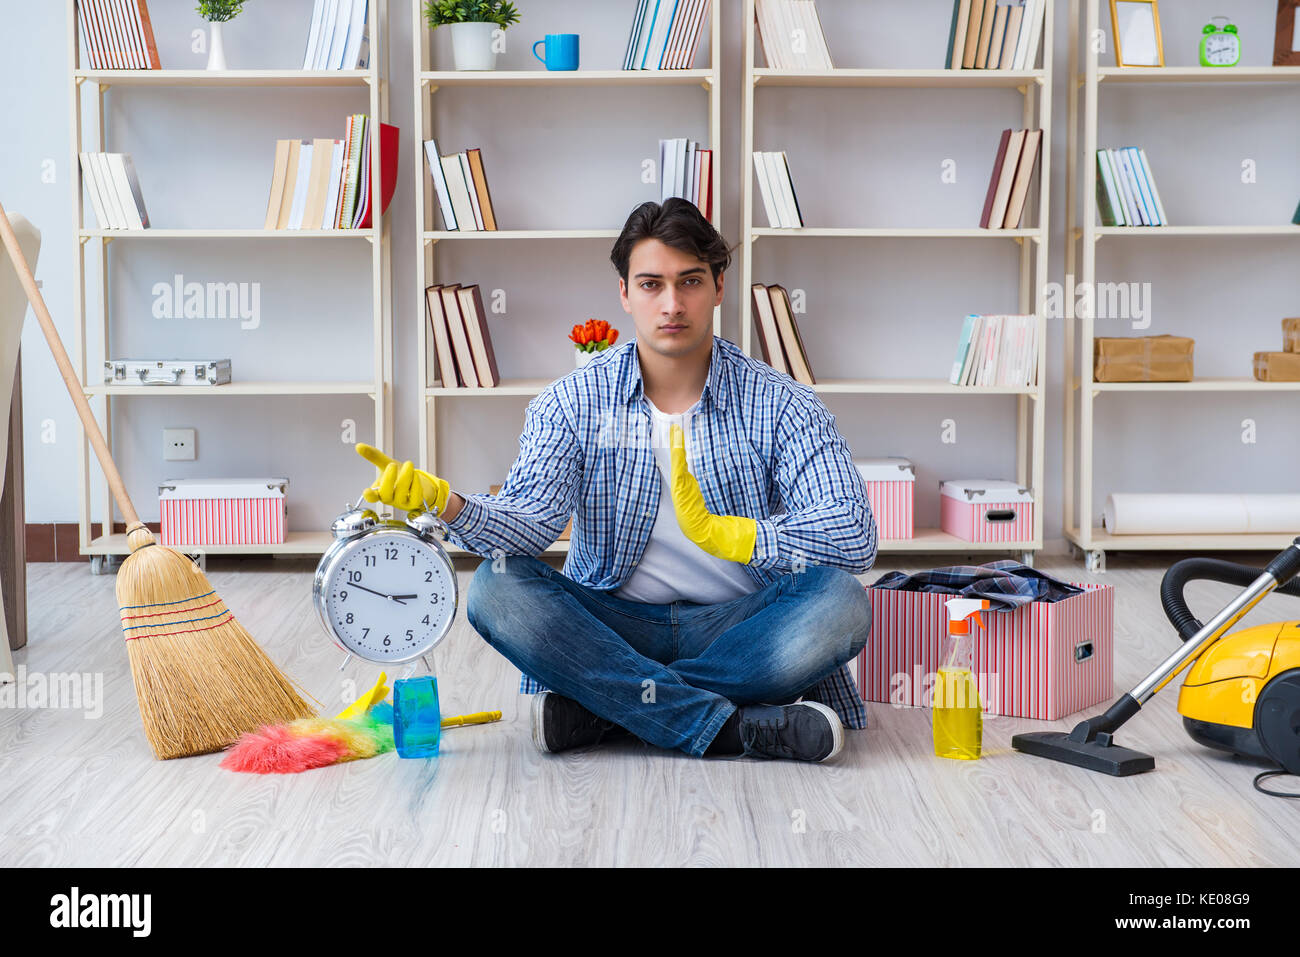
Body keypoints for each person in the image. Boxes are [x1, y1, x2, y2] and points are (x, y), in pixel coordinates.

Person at [359, 198, 876, 762]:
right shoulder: (571, 402)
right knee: (497, 587)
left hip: (741, 629)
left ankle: (606, 708)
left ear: (719, 286)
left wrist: (743, 537)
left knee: (840, 600)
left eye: (691, 282)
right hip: (612, 626)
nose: (672, 304)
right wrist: (451, 505)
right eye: (651, 285)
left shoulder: (782, 402)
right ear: (625, 294)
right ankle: (735, 728)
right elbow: (532, 527)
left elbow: (853, 534)